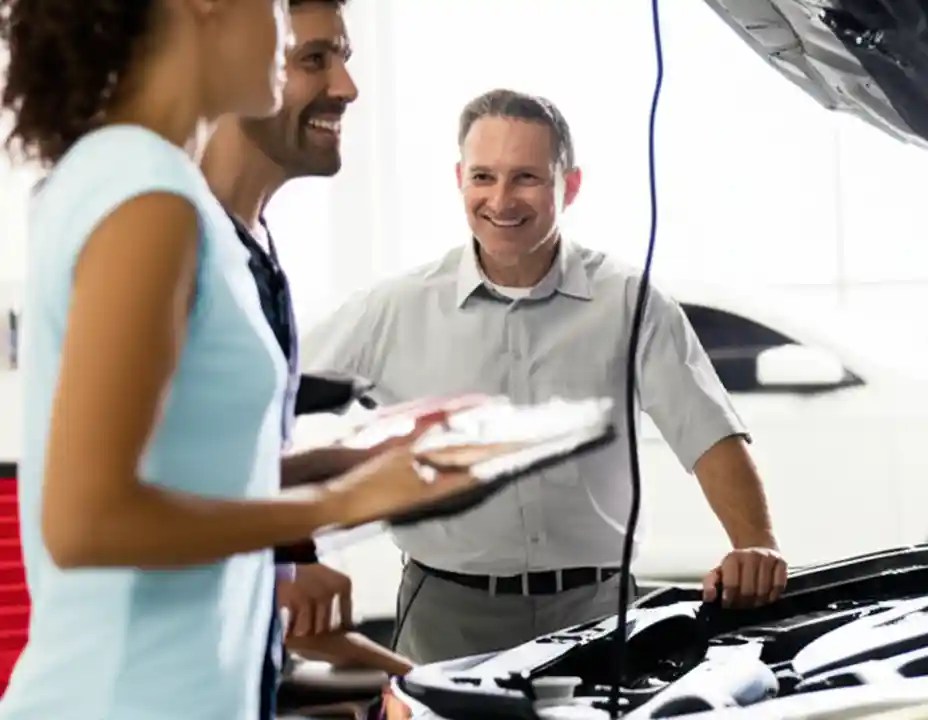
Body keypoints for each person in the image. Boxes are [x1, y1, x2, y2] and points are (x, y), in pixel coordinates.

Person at [0, 1, 478, 717]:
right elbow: (86, 520)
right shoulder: (146, 195)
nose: (284, 35)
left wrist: (351, 461)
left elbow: (174, 469)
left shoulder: (138, 178)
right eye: (279, 14)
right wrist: (342, 503)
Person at [302, 88, 789, 664]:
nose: (501, 200)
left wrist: (755, 544)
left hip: (598, 610)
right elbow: (270, 409)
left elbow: (709, 435)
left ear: (571, 185)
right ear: (459, 177)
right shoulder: (392, 309)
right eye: (483, 177)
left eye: (526, 178)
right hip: (447, 612)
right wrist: (294, 555)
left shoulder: (629, 302)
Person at [196, 0, 415, 708]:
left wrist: (420, 686)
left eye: (345, 56)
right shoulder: (174, 247)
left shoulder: (257, 253)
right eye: (314, 58)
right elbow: (103, 520)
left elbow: (284, 591)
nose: (347, 86)